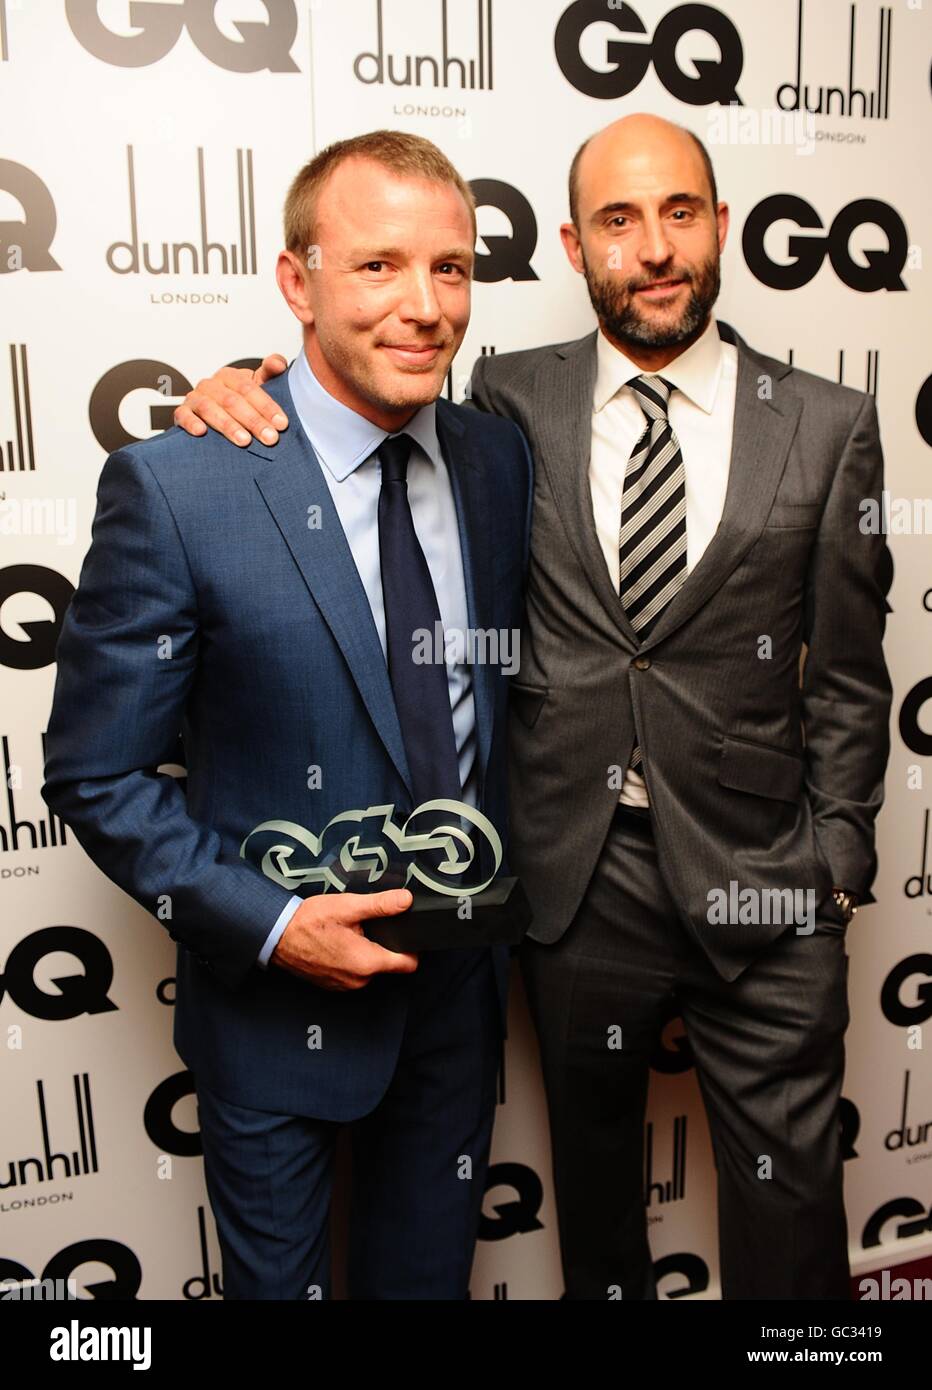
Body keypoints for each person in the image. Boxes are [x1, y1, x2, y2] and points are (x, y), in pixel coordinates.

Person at [173, 114, 891, 1300]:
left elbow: (855, 679)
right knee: (595, 1206)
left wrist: (834, 866)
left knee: (792, 1215)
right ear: (571, 244)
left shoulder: (823, 425)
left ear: (719, 227)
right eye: (617, 219)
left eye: (676, 213)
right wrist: (243, 388)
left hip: (767, 884)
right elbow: (346, 403)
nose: (651, 248)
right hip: (572, 892)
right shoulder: (506, 405)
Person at [42, 130, 532, 1300]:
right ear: (294, 279)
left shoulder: (497, 458)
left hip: (458, 1000)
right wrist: (273, 924)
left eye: (451, 268)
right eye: (376, 267)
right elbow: (94, 775)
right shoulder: (180, 486)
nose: (424, 307)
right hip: (272, 1013)